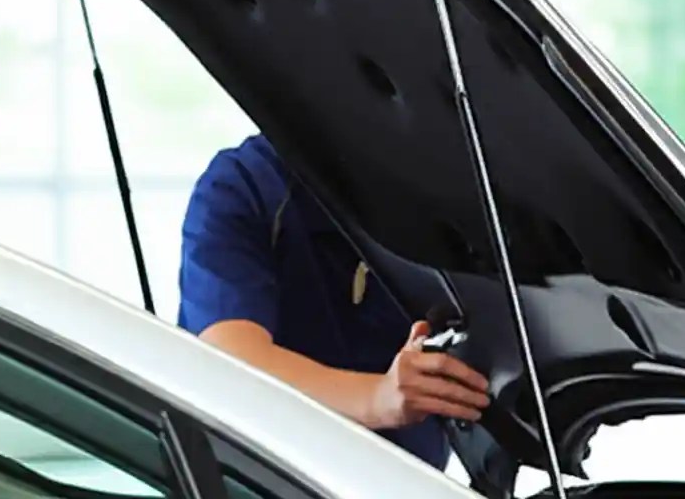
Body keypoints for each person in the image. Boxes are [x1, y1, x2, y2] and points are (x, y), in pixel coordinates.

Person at [176, 134, 490, 469]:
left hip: (397, 481)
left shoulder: (454, 193)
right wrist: (378, 398)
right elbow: (232, 364)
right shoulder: (246, 184)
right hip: (257, 478)